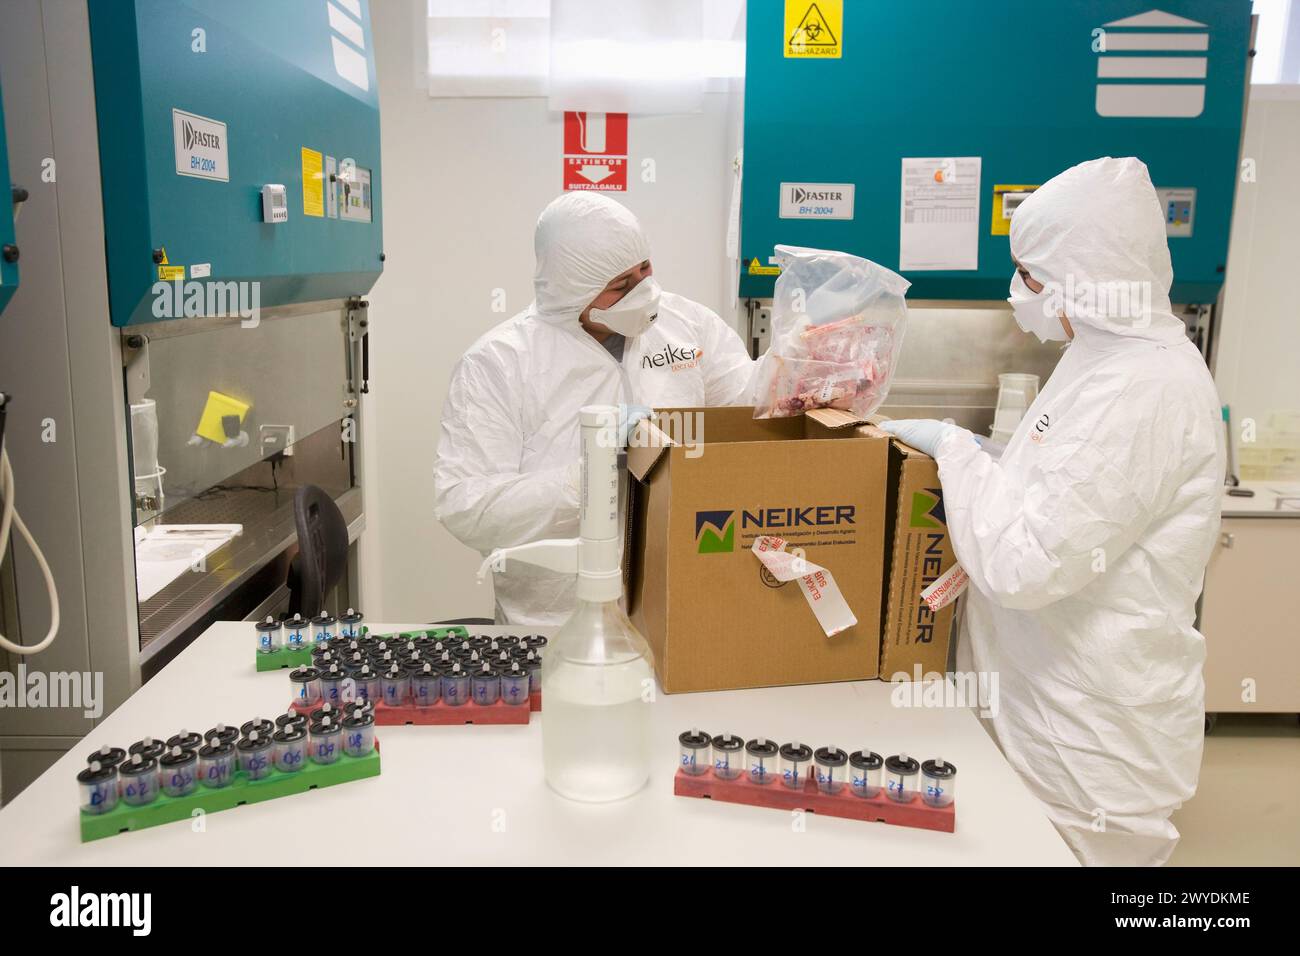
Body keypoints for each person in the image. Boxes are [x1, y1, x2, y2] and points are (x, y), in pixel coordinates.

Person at [880, 157, 1225, 866]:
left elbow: (1023, 563)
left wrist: (955, 451)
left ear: (1091, 274)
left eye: (1031, 275)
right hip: (1036, 702)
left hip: (1090, 740)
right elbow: (1058, 494)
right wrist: (990, 456)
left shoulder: (1147, 387)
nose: (1018, 292)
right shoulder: (1098, 356)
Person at [435, 192, 754, 628]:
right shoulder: (500, 363)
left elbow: (748, 410)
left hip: (681, 607)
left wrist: (800, 374)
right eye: (621, 285)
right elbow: (466, 508)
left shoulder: (687, 325)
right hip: (555, 621)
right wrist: (587, 477)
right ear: (571, 292)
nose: (643, 291)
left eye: (645, 269)